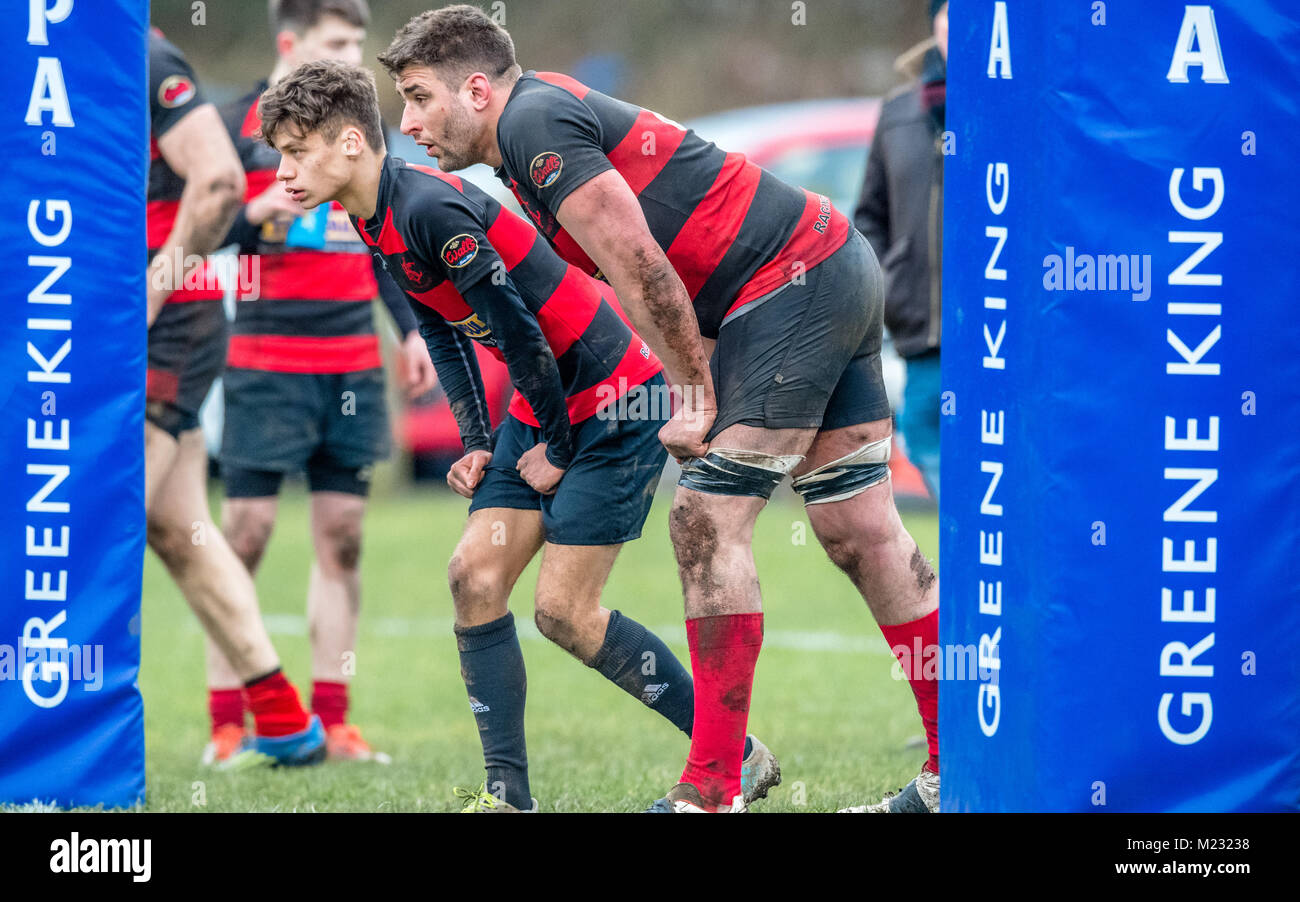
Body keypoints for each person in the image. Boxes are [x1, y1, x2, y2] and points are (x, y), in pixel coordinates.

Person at [378, 4, 940, 813]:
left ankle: (714, 787)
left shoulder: (533, 122)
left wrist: (693, 393)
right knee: (861, 532)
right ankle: (957, 765)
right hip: (825, 265)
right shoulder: (528, 133)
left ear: (475, 89)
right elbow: (654, 266)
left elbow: (639, 265)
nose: (410, 122)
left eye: (419, 96)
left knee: (705, 518)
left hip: (792, 285)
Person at [255, 59, 781, 810]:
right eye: (279, 153)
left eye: (296, 150)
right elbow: (443, 332)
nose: (284, 171)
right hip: (548, 407)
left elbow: (524, 339)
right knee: (473, 578)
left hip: (611, 403)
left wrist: (559, 454)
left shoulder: (431, 209)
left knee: (563, 613)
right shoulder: (369, 214)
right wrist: (476, 439)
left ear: (347, 143)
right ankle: (507, 797)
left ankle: (735, 758)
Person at [199, 0, 436, 768]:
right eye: (337, 42)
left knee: (343, 536)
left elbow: (382, 237)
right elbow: (191, 225)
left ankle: (335, 721)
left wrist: (407, 331)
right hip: (264, 362)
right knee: (245, 536)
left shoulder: (356, 126)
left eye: (358, 43)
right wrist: (250, 209)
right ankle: (229, 724)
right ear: (291, 40)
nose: (351, 56)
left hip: (349, 361)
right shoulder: (230, 128)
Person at [145, 28, 325, 768]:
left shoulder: (145, 56)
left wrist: (148, 293)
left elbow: (218, 182)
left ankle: (57, 724)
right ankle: (286, 723)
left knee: (88, 517)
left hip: (165, 328)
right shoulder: (54, 61)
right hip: (123, 328)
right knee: (177, 530)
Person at [854, 0, 947, 503]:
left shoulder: (1015, 109)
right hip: (920, 333)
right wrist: (888, 282)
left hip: (998, 336)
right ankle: (970, 557)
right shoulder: (898, 110)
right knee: (924, 436)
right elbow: (868, 215)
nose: (958, 25)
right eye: (950, 12)